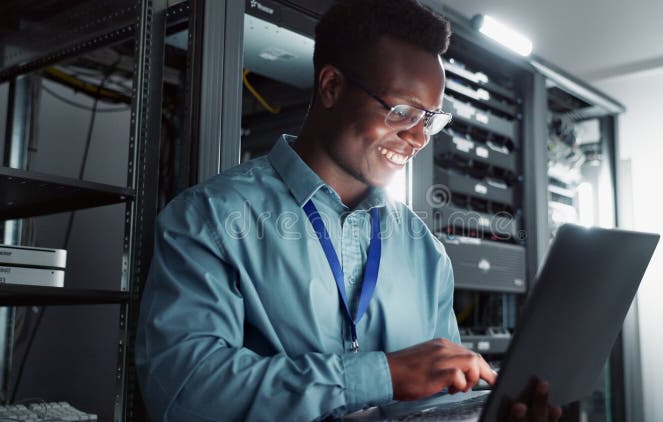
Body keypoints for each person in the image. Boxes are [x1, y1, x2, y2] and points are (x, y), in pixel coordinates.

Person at [135, 0, 561, 420]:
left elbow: (439, 403)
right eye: (403, 112)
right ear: (332, 86)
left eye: (430, 119)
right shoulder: (209, 219)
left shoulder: (425, 252)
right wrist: (382, 376)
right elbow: (183, 392)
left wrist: (484, 413)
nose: (418, 137)